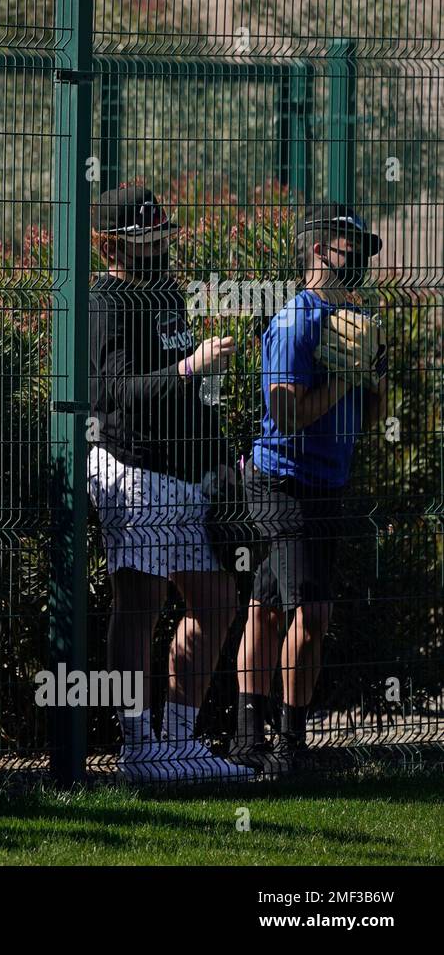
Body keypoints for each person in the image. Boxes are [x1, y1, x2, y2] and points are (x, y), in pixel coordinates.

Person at [86, 185, 253, 782]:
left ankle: (178, 745)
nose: (159, 250)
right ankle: (136, 748)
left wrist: (225, 462)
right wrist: (189, 367)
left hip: (182, 471)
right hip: (129, 467)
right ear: (110, 245)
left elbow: (190, 401)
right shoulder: (106, 302)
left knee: (216, 599)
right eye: (146, 241)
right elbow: (116, 395)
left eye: (163, 237)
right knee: (141, 604)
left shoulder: (166, 294)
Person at [230, 204, 387, 773]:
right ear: (320, 251)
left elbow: (369, 419)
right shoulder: (297, 321)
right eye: (352, 248)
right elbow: (285, 415)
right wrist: (345, 374)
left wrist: (374, 377)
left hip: (326, 484)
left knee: (268, 608)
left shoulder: (354, 320)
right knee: (312, 612)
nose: (363, 261)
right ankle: (289, 749)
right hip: (281, 481)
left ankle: (250, 743)